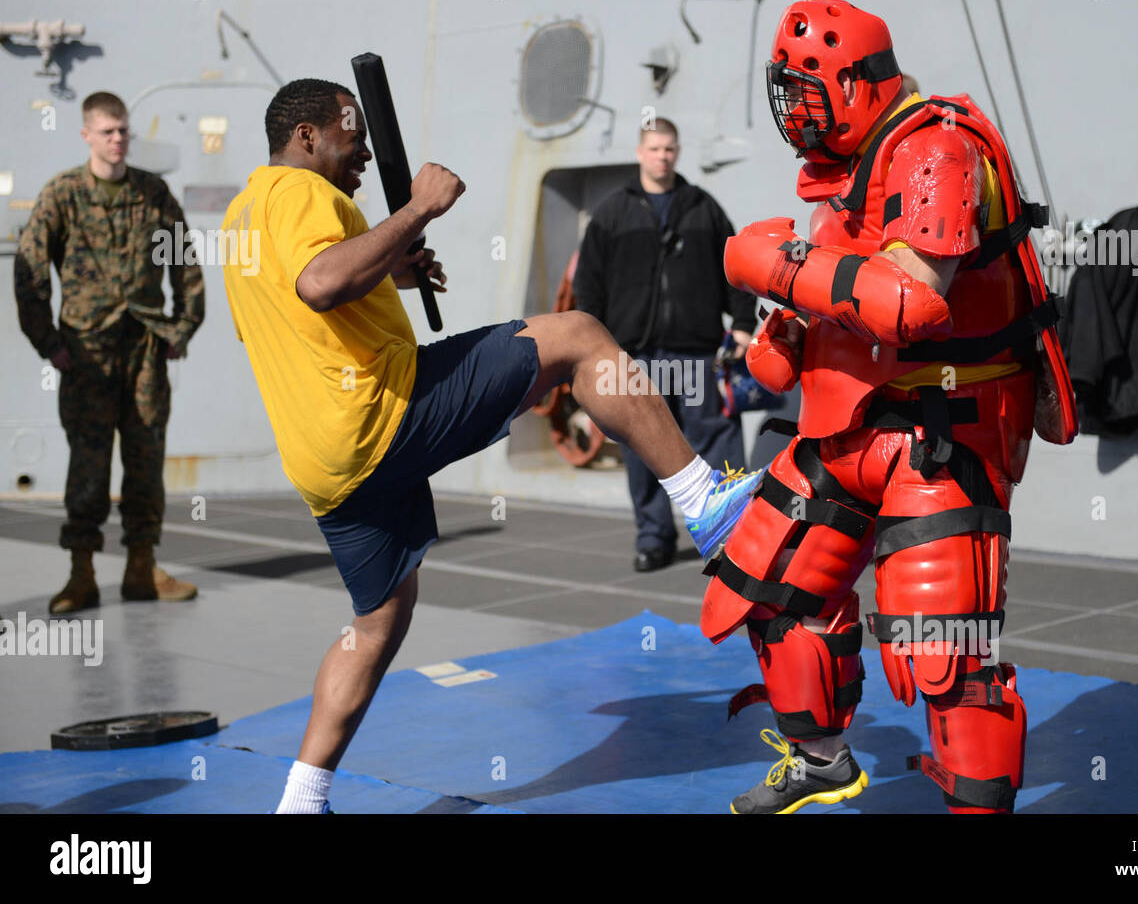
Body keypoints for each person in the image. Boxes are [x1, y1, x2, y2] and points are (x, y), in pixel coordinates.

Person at [220, 79, 762, 813]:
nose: (365, 149)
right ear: (308, 135)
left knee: (378, 619)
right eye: (353, 133)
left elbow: (301, 308)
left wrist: (393, 271)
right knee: (578, 336)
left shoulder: (243, 215)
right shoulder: (301, 192)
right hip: (383, 413)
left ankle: (301, 797)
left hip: (324, 465)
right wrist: (417, 209)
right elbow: (320, 283)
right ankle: (705, 502)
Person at [705, 0, 1078, 813]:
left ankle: (977, 801)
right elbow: (835, 288)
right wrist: (785, 330)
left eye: (810, 90)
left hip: (944, 430)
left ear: (860, 82)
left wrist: (775, 265)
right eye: (788, 92)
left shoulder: (936, 149)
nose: (796, 111)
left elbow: (912, 300)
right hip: (848, 420)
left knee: (942, 648)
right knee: (773, 589)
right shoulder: (851, 167)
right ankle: (823, 760)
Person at [15, 91, 204, 614]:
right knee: (89, 465)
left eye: (122, 131)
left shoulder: (153, 193)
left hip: (144, 349)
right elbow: (29, 274)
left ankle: (141, 569)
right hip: (86, 353)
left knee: (146, 461)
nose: (117, 139)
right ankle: (82, 575)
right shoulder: (63, 195)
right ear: (87, 135)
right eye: (107, 132)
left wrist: (181, 328)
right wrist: (50, 344)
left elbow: (184, 263)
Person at [574, 118, 758, 572]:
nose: (663, 156)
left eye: (670, 149)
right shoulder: (612, 214)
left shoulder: (703, 208)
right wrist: (597, 347)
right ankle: (654, 539)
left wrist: (741, 323)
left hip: (696, 353)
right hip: (634, 357)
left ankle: (729, 539)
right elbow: (588, 287)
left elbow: (736, 267)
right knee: (643, 451)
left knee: (715, 444)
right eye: (654, 148)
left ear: (677, 152)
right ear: (640, 152)